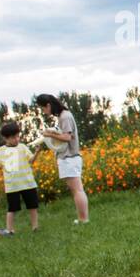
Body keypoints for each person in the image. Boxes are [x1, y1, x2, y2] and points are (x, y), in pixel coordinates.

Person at [35, 94, 89, 224]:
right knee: (77, 189)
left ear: (48, 105)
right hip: (70, 158)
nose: (44, 112)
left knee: (77, 190)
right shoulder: (64, 116)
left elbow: (67, 137)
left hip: (69, 157)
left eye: (43, 109)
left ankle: (83, 219)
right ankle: (83, 218)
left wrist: (49, 134)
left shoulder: (64, 116)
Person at [0, 122, 39, 233]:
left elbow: (31, 161)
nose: (16, 139)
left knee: (33, 206)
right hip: (12, 186)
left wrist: (36, 152)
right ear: (5, 138)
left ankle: (35, 227)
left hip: (28, 183)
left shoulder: (23, 147)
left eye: (17, 136)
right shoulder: (1, 151)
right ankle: (10, 229)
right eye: (13, 138)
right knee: (12, 208)